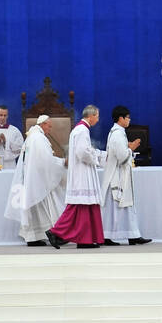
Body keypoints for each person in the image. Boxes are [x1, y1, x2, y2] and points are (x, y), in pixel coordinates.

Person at [47, 104, 107, 248]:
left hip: (82, 172)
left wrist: (93, 152)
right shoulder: (82, 130)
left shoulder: (80, 129)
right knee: (80, 206)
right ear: (90, 116)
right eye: (97, 116)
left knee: (83, 207)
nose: (97, 120)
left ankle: (84, 239)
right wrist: (95, 157)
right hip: (82, 173)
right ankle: (56, 233)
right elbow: (82, 152)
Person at [5, 115, 67, 245]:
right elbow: (46, 160)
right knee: (46, 208)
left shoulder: (32, 137)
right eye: (49, 126)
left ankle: (33, 237)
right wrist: (62, 162)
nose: (50, 129)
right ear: (43, 124)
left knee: (36, 209)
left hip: (34, 178)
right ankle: (52, 235)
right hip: (39, 179)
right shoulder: (38, 138)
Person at [101, 106, 151, 245]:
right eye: (128, 117)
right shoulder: (117, 133)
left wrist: (127, 147)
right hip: (118, 175)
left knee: (123, 206)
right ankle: (109, 235)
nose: (129, 120)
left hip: (119, 174)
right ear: (121, 118)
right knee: (117, 207)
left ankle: (131, 234)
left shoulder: (118, 132)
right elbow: (122, 157)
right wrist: (131, 148)